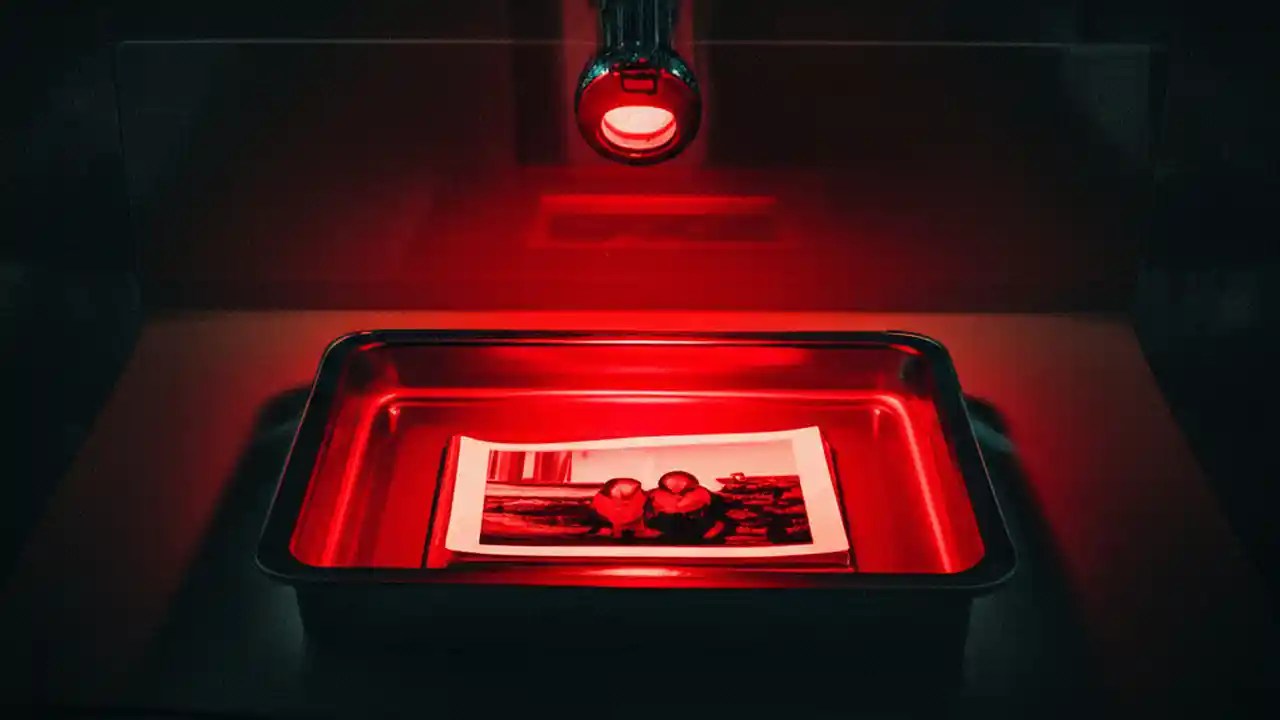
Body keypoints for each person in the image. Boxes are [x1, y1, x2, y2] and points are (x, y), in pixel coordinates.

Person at [645, 470, 728, 543]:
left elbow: (721, 518)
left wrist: (712, 533)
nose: (678, 496)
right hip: (659, 541)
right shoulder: (651, 496)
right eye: (671, 493)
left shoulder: (707, 496)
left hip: (702, 542)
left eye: (684, 492)